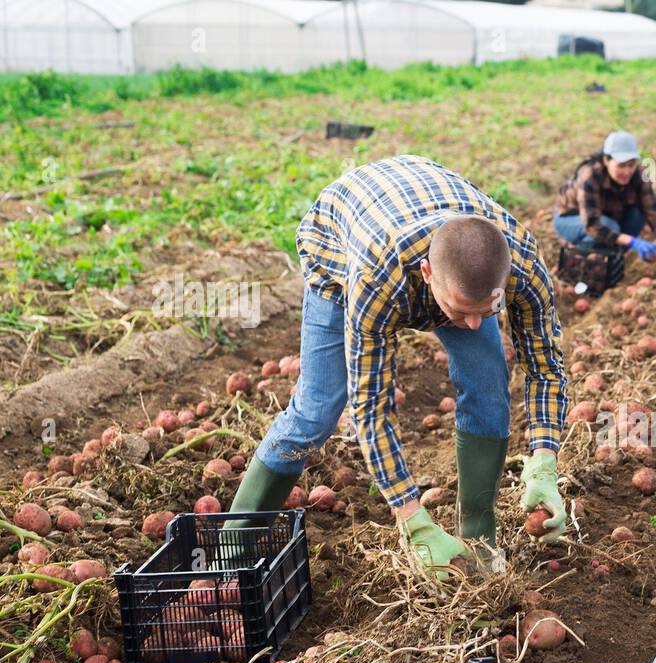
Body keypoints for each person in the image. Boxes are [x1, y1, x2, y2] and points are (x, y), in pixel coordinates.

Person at [227, 154, 568, 577]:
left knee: (488, 386)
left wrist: (543, 464)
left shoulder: (522, 267)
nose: (478, 323)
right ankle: (233, 544)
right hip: (342, 239)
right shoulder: (375, 277)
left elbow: (545, 368)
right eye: (464, 309)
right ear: (427, 273)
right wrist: (415, 519)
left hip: (427, 207)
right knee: (316, 411)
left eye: (489, 308)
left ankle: (478, 541)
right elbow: (371, 405)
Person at [553, 131, 656, 274]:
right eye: (621, 165)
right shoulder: (590, 175)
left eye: (631, 164)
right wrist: (633, 242)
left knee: (638, 215)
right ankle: (579, 256)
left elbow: (654, 212)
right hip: (571, 218)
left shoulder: (639, 175)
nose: (627, 171)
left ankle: (610, 260)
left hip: (606, 215)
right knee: (609, 225)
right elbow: (592, 224)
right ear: (606, 160)